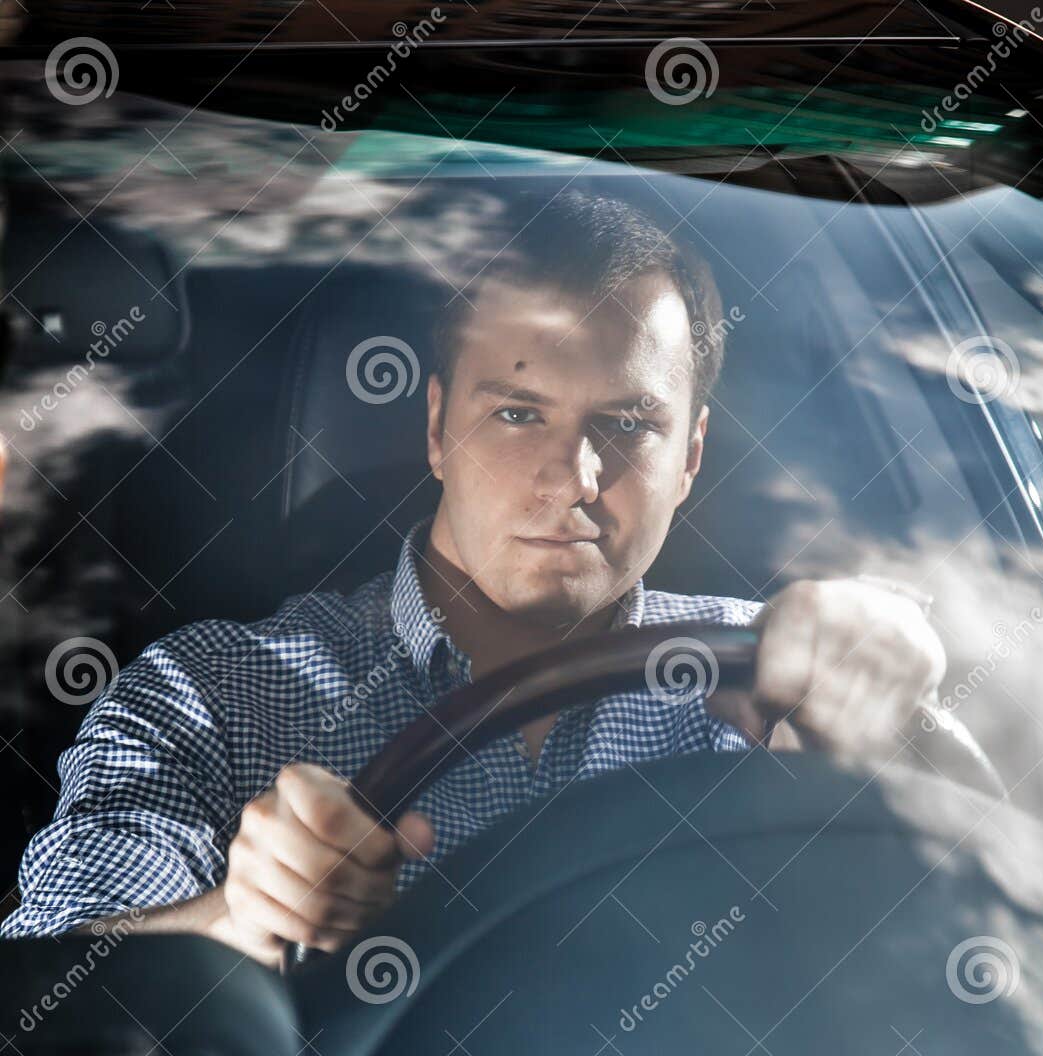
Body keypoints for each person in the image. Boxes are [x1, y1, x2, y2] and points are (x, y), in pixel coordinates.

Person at [2, 191, 944, 968]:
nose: (574, 479)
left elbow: (993, 939)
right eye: (520, 414)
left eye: (628, 425)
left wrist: (897, 720)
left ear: (691, 455)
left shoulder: (781, 680)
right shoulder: (213, 693)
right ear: (436, 429)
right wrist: (231, 924)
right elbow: (44, 980)